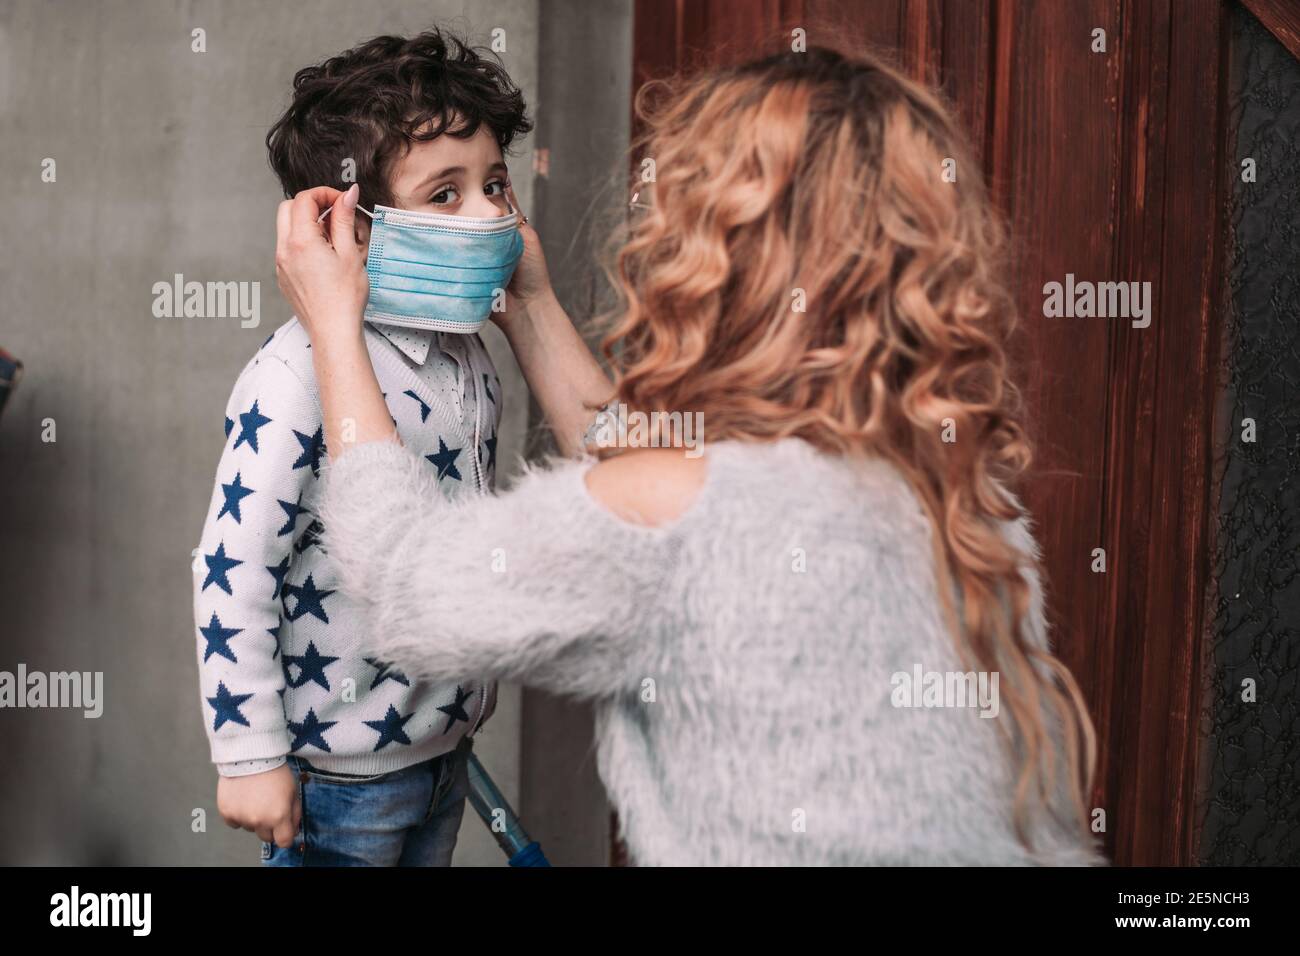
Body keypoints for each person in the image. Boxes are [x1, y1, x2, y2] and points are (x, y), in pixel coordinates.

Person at [277, 44, 1105, 865]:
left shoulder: (683, 511)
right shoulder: (950, 482)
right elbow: (649, 473)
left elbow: (402, 581)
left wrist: (332, 330)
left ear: (710, 246)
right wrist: (529, 306)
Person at [194, 29, 537, 866]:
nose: (494, 213)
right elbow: (232, 568)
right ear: (347, 217)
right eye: (445, 195)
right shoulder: (294, 376)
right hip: (342, 784)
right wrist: (249, 755)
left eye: (494, 183)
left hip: (444, 753)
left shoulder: (466, 348)